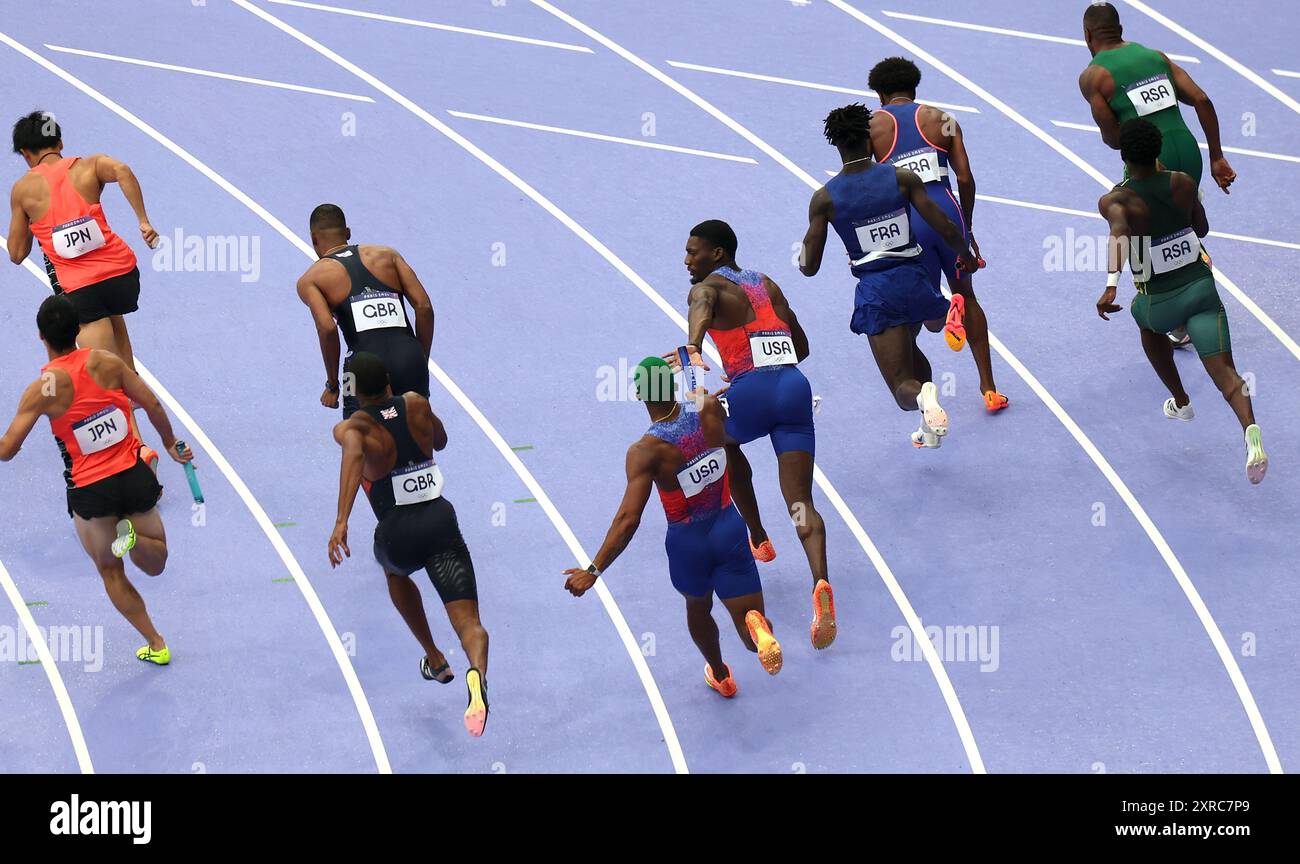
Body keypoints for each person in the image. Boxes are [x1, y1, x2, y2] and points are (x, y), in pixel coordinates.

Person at [563, 357, 783, 697]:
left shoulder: (646, 452)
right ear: (671, 384)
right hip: (727, 526)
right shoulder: (708, 407)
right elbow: (711, 408)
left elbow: (628, 519)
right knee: (748, 617)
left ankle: (721, 674)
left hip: (687, 544)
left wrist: (594, 569)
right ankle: (757, 629)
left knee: (698, 608)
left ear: (640, 394)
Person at [0, 295, 191, 664]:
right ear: (78, 330)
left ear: (41, 336)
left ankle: (156, 643)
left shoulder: (44, 388)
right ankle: (134, 538)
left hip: (91, 492)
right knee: (156, 562)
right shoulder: (106, 362)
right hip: (134, 476)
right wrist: (168, 443)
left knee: (111, 571)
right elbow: (151, 404)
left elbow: (8, 449)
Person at [675, 220, 836, 651]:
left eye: (695, 252)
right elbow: (801, 346)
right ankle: (820, 580)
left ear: (719, 254)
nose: (687, 261)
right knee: (802, 502)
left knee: (721, 440)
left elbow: (702, 310)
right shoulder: (767, 283)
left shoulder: (704, 288)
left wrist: (695, 347)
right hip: (793, 389)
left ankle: (758, 536)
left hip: (751, 394)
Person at [327, 352, 491, 736]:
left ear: (353, 389)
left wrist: (341, 520)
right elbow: (442, 440)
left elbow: (352, 455)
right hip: (439, 520)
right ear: (388, 379)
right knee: (471, 624)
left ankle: (434, 658)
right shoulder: (417, 403)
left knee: (394, 573)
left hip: (397, 532)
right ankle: (477, 674)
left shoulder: (353, 429)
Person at [1096, 120, 1266, 484]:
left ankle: (1182, 402)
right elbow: (1201, 230)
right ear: (1158, 152)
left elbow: (1119, 235)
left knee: (1145, 324)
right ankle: (1251, 430)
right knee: (1227, 374)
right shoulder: (1183, 183)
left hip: (1158, 301)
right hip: (1201, 288)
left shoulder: (1116, 199)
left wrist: (1112, 285)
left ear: (1124, 156)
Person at [801, 103, 979, 449]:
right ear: (869, 138)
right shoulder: (902, 178)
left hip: (878, 291)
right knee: (909, 350)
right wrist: (964, 254)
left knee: (902, 388)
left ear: (836, 145)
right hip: (917, 279)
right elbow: (943, 225)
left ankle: (924, 399)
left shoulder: (824, 199)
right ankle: (929, 417)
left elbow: (809, 267)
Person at [1078, 1, 1235, 346]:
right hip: (1189, 152)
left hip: (1152, 159)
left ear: (1088, 35)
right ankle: (1196, 276)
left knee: (1141, 233)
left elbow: (1113, 139)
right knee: (1182, 221)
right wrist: (1217, 158)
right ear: (1119, 29)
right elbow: (1203, 100)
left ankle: (1171, 318)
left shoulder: (1094, 76)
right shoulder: (1156, 57)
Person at [867, 56, 1007, 412]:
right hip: (946, 211)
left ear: (881, 93)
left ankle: (924, 388)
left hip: (907, 223)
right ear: (915, 87)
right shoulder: (941, 119)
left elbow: (869, 188)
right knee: (968, 293)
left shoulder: (874, 127)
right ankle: (989, 389)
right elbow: (964, 179)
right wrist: (967, 227)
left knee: (917, 313)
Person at [8, 110, 158, 369]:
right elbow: (122, 170)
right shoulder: (90, 165)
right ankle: (131, 385)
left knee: (107, 380)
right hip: (123, 277)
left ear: (25, 153)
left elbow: (17, 253)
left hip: (82, 290)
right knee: (111, 314)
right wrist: (143, 220)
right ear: (60, 142)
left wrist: (34, 219)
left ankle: (121, 398)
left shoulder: (23, 190)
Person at [296, 204, 434, 418]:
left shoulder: (311, 279)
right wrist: (420, 359)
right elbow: (424, 307)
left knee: (355, 437)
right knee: (416, 436)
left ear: (314, 239)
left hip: (359, 371)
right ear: (348, 233)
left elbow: (327, 328)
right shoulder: (388, 255)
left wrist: (333, 384)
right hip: (410, 360)